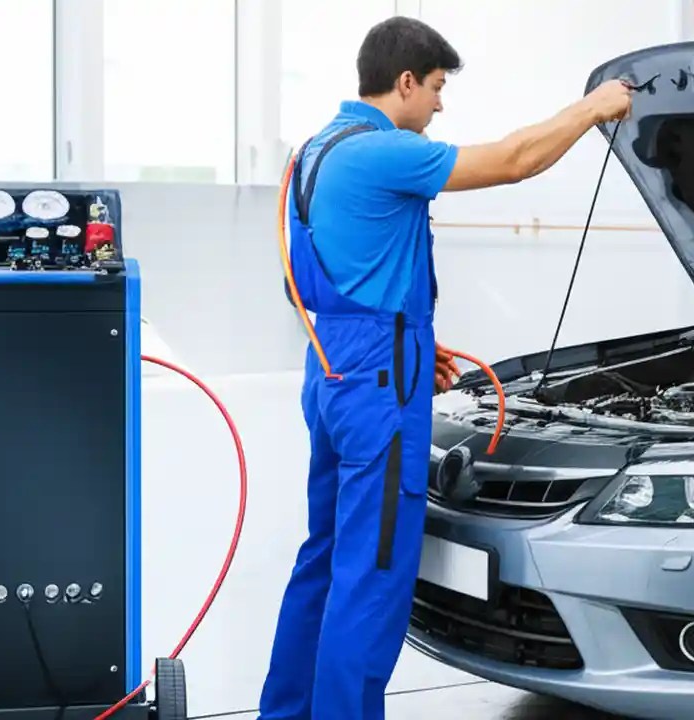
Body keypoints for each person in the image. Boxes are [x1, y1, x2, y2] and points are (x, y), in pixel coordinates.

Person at [259, 16, 633, 720]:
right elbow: (516, 158)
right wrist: (593, 107)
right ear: (403, 83)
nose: (438, 106)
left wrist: (405, 347)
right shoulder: (385, 152)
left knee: (326, 558)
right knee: (371, 575)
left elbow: (314, 279)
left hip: (335, 374)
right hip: (377, 392)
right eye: (434, 89)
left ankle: (288, 714)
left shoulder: (311, 154)